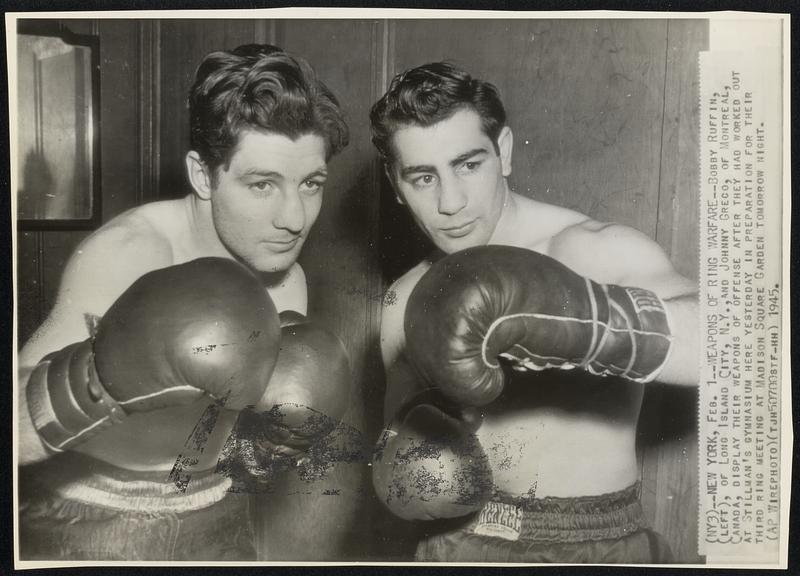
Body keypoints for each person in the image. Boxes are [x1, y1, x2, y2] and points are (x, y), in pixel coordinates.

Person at [17, 44, 353, 561]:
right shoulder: (128, 254)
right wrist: (100, 380)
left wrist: (276, 440)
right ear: (202, 175)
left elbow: (239, 446)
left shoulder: (285, 275)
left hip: (216, 512)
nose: (294, 218)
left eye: (311, 184)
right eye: (262, 184)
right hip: (85, 519)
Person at [370, 62, 699, 563]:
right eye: (422, 177)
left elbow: (735, 342)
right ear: (396, 184)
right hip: (458, 545)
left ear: (502, 152)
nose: (451, 202)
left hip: (596, 544)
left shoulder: (591, 252)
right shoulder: (403, 301)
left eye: (467, 164)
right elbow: (401, 468)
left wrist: (585, 322)